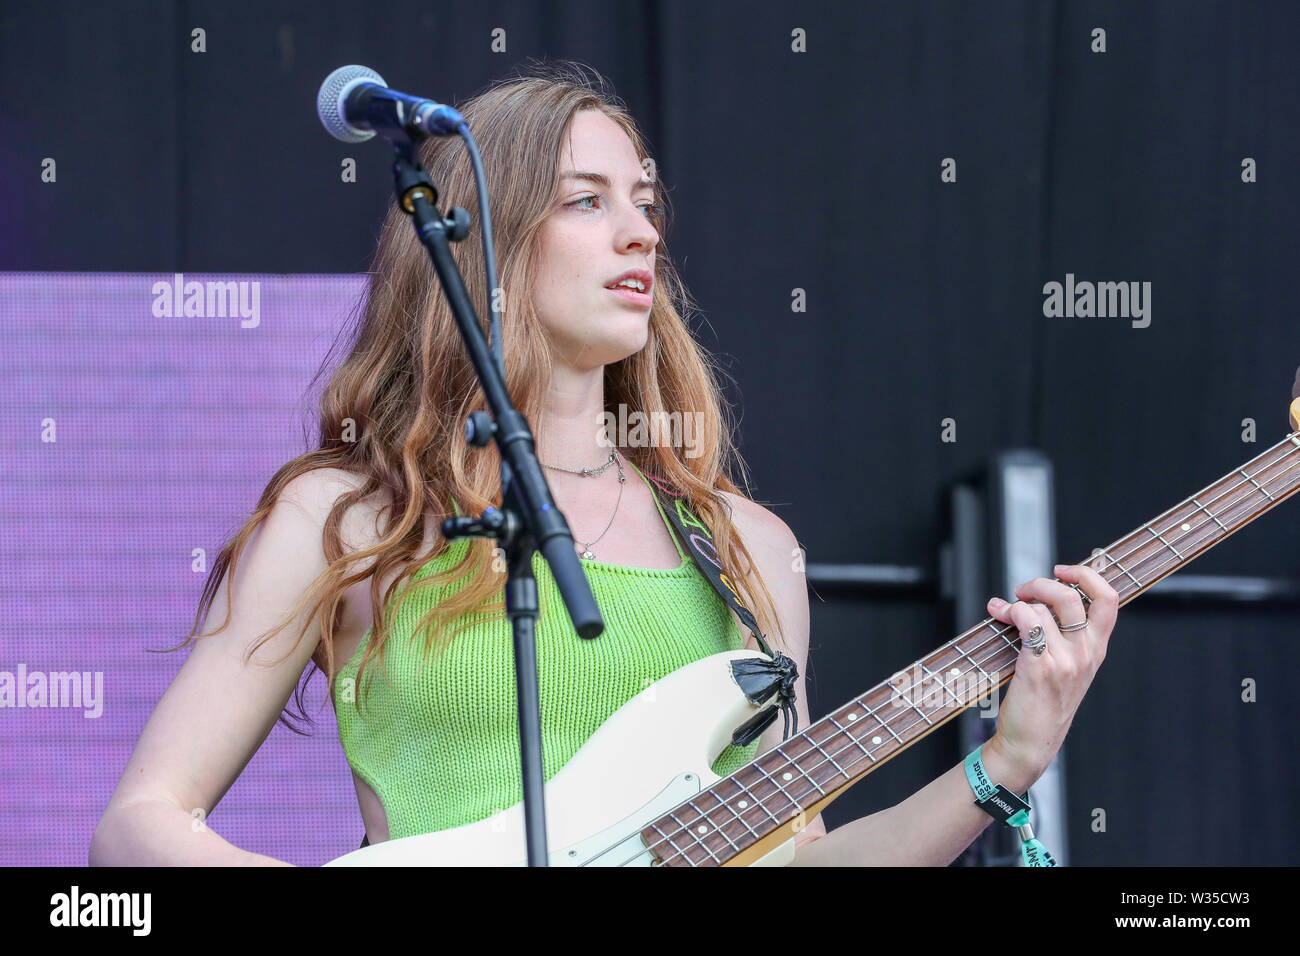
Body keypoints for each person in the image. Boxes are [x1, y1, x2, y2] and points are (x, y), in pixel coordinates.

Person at [88, 59, 1119, 867]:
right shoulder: (353, 516)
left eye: (645, 200)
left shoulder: (748, 546)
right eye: (587, 201)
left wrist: (1000, 765)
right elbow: (138, 822)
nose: (641, 232)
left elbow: (799, 855)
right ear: (479, 238)